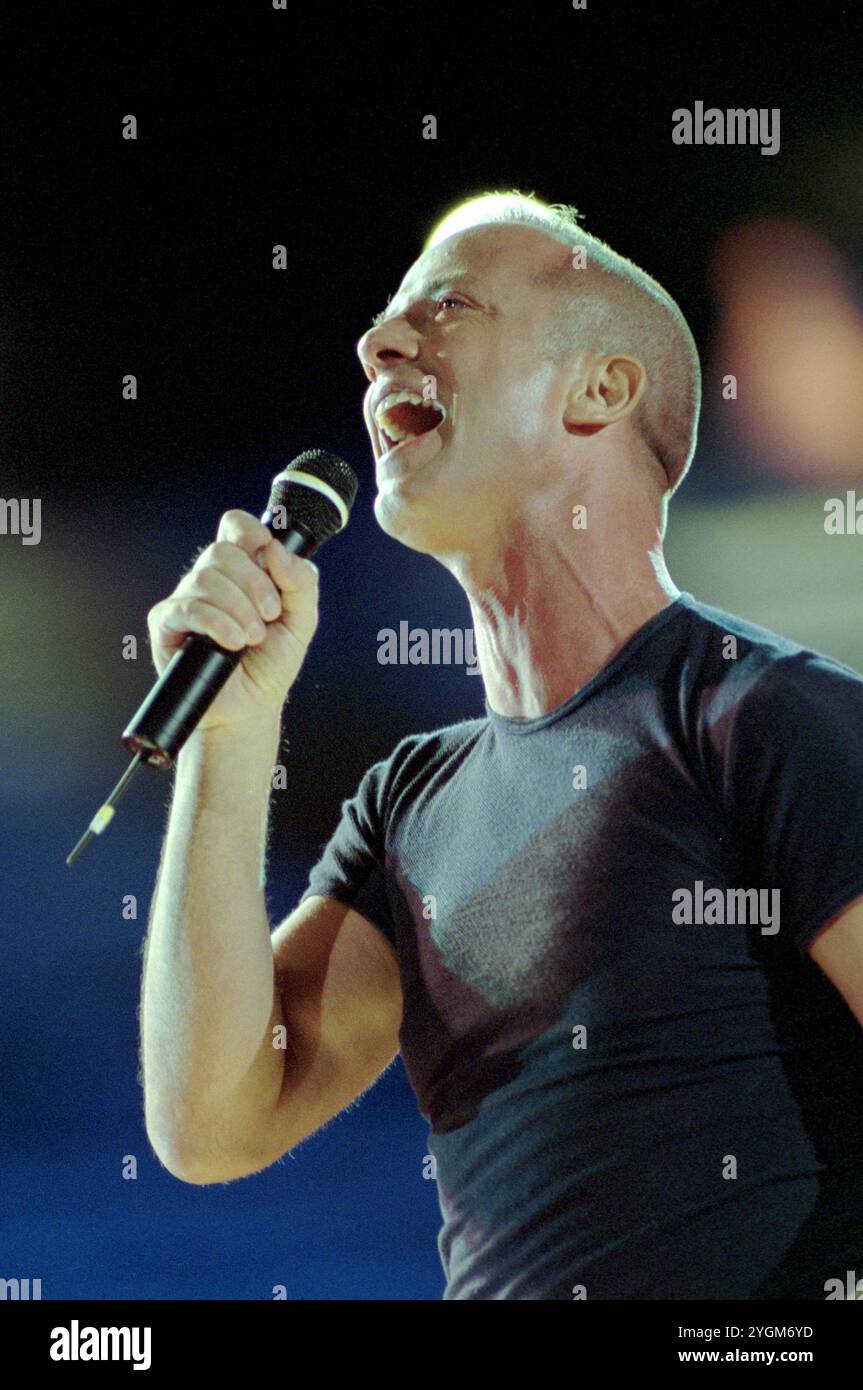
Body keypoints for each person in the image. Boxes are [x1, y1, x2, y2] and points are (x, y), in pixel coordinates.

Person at [140, 191, 863, 1300]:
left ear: (599, 389)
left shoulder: (760, 719)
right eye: (387, 320)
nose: (378, 341)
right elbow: (214, 1120)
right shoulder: (408, 803)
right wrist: (228, 738)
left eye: (449, 307)